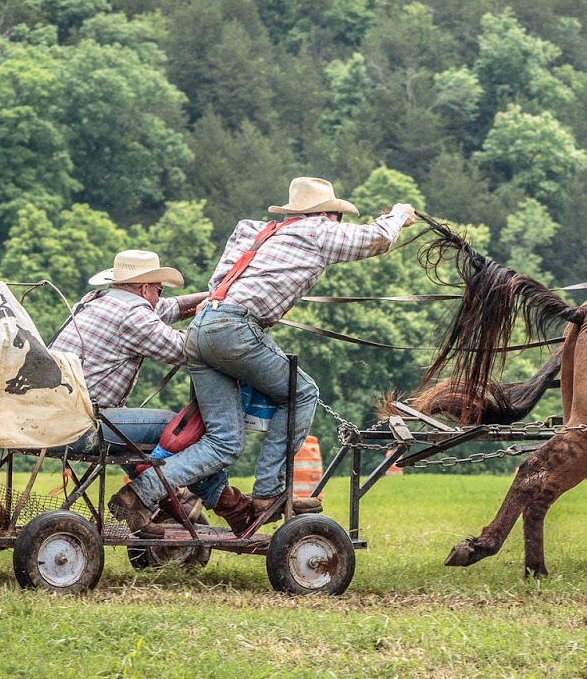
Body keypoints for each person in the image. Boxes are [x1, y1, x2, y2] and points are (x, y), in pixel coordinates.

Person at [117, 177, 415, 533]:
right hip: (234, 329)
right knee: (302, 392)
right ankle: (269, 492)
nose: (336, 222)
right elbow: (376, 239)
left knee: (224, 441)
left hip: (202, 329)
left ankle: (141, 493)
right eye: (335, 215)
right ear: (323, 213)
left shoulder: (255, 233)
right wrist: (398, 216)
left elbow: (217, 286)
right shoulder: (316, 229)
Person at [48, 249, 208, 533]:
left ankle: (165, 501)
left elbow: (168, 308)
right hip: (82, 425)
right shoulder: (133, 315)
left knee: (131, 429)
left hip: (53, 416)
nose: (159, 296)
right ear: (145, 289)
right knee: (176, 426)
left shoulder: (96, 301)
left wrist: (215, 298)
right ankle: (159, 497)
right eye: (158, 290)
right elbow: (185, 350)